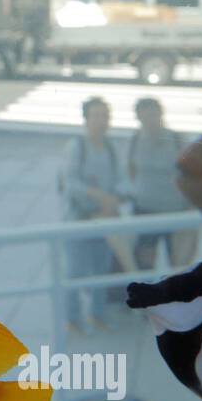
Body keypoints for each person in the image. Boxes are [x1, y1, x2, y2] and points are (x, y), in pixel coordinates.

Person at [60, 97, 125, 332]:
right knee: (75, 271)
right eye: (96, 115)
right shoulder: (76, 146)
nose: (101, 121)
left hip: (104, 218)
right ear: (86, 119)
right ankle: (72, 319)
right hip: (78, 219)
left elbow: (120, 181)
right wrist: (98, 195)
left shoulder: (111, 147)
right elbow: (70, 184)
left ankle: (98, 315)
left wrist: (113, 200)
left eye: (105, 116)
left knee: (102, 268)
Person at [128, 98, 197, 270]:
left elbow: (192, 173)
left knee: (179, 266)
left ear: (160, 114)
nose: (150, 120)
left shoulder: (177, 139)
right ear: (139, 118)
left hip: (175, 211)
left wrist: (190, 206)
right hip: (145, 211)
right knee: (144, 264)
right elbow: (131, 170)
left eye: (153, 115)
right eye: (145, 117)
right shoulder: (134, 140)